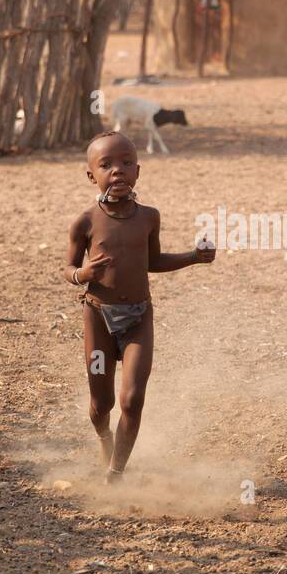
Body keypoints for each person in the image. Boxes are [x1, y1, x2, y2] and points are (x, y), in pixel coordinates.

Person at [63, 132, 215, 483]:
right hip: (99, 316)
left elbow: (153, 261)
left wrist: (194, 257)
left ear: (138, 171)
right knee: (102, 405)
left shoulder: (148, 217)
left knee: (131, 399)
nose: (118, 171)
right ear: (91, 176)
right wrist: (83, 274)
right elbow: (67, 268)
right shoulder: (84, 221)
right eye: (106, 165)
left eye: (126, 163)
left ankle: (116, 473)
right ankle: (104, 437)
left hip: (138, 319)